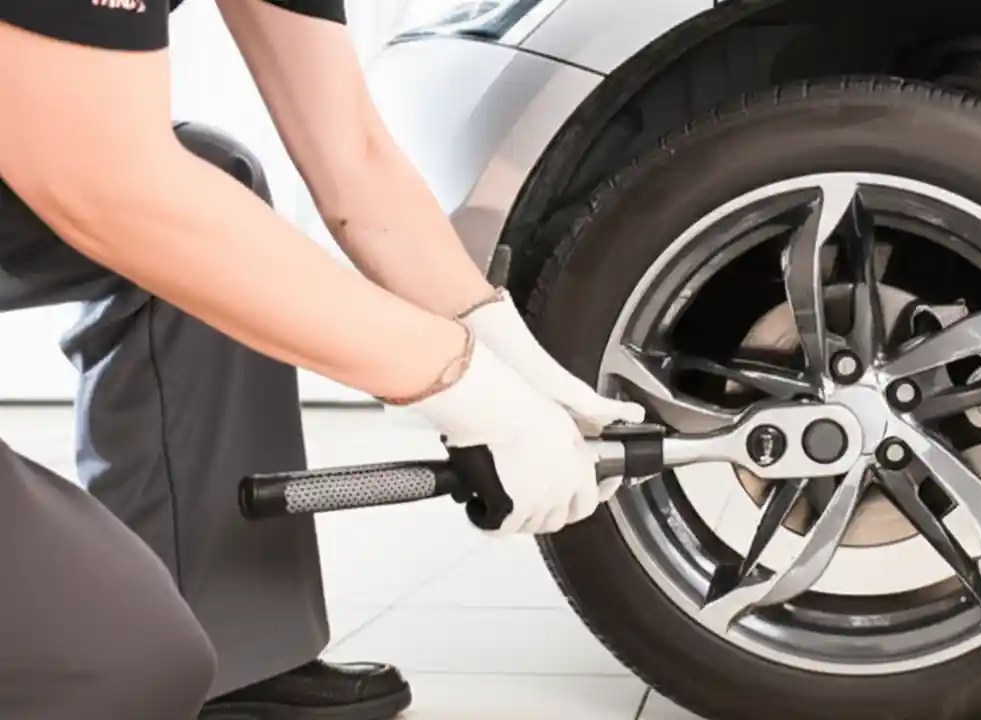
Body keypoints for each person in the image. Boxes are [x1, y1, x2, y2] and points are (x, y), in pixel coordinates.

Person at [0, 2, 643, 719]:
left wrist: (498, 340)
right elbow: (103, 184)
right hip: (77, 173)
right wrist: (463, 382)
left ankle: (238, 658)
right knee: (115, 667)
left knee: (213, 184)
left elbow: (353, 149)